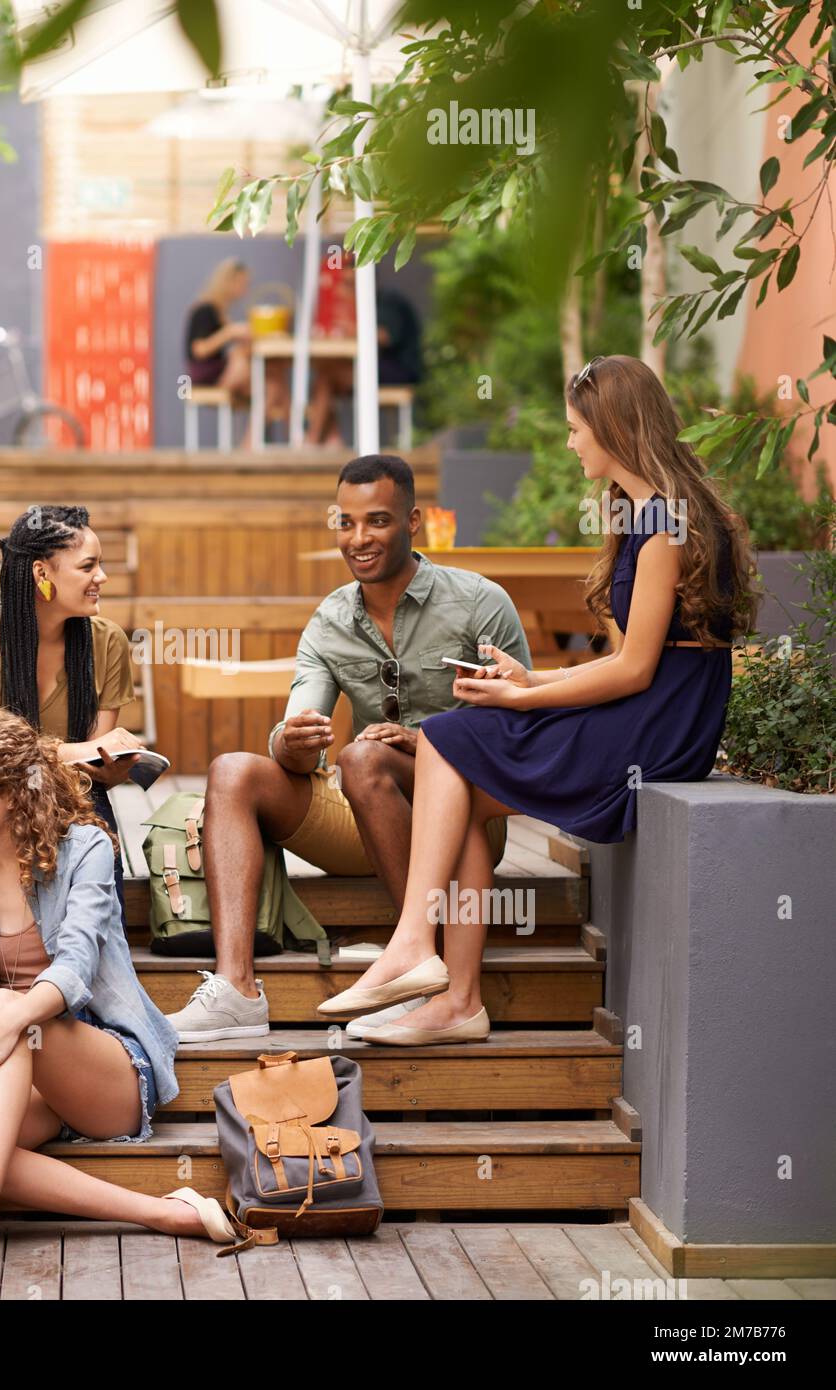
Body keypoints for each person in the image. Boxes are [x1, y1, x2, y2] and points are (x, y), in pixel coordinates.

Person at [318, 354, 759, 1044]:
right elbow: (629, 660)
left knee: (450, 741)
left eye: (576, 428)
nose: (569, 442)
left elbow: (638, 671)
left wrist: (525, 703)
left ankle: (415, 947)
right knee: (458, 768)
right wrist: (529, 681)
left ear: (613, 429)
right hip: (647, 712)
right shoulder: (649, 513)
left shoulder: (665, 527)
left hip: (655, 731)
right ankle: (456, 1000)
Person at [165, 453, 532, 1043]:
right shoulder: (330, 619)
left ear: (414, 522)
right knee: (233, 770)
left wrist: (424, 740)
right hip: (367, 816)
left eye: (378, 521)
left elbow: (522, 731)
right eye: (346, 523)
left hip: (466, 818)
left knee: (365, 758)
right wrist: (293, 743)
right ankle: (236, 992)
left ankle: (423, 969)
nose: (358, 539)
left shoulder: (479, 602)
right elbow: (296, 738)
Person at [0, 709, 237, 1277]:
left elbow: (76, 965)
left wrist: (3, 1016)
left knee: (5, 1006)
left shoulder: (86, 851)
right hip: (29, 1073)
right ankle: (162, 1214)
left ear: (17, 789)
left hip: (108, 1066)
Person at [0, 504, 143, 1045]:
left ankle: (85, 979)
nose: (102, 578)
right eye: (88, 566)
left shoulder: (106, 641)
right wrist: (76, 750)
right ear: (42, 574)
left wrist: (109, 762)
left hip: (70, 799)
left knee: (98, 827)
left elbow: (92, 764)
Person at [184, 256, 289, 441]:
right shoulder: (205, 310)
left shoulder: (221, 312)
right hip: (206, 376)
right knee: (245, 358)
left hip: (223, 373)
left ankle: (252, 443)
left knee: (273, 382)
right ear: (228, 282)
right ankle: (300, 434)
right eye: (242, 283)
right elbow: (198, 350)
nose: (245, 289)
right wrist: (230, 332)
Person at [307, 285, 423, 448]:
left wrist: (351, 329)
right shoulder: (365, 305)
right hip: (376, 366)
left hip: (398, 370)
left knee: (327, 376)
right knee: (325, 376)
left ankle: (315, 439)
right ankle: (330, 438)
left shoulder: (387, 302)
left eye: (347, 284)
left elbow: (384, 336)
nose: (342, 290)